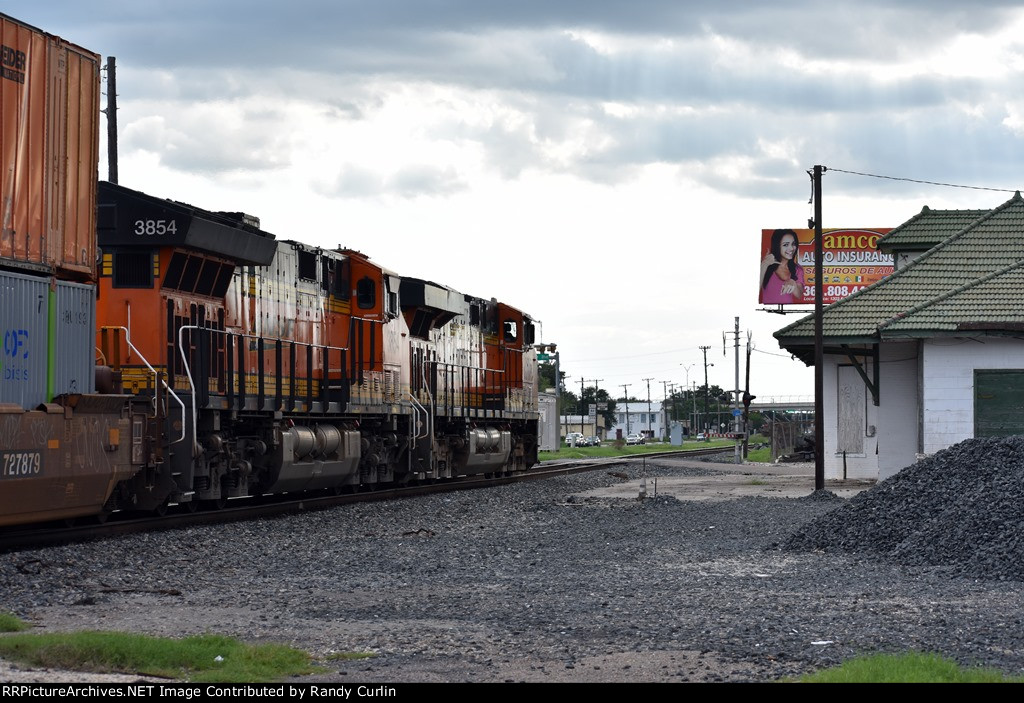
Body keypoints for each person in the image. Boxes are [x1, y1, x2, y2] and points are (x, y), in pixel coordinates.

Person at [760, 229, 805, 304]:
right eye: (785, 245)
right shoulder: (765, 265)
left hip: (790, 313)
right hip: (766, 313)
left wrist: (793, 283)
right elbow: (752, 291)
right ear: (777, 246)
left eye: (793, 244)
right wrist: (764, 265)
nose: (791, 248)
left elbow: (799, 295)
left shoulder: (798, 269)